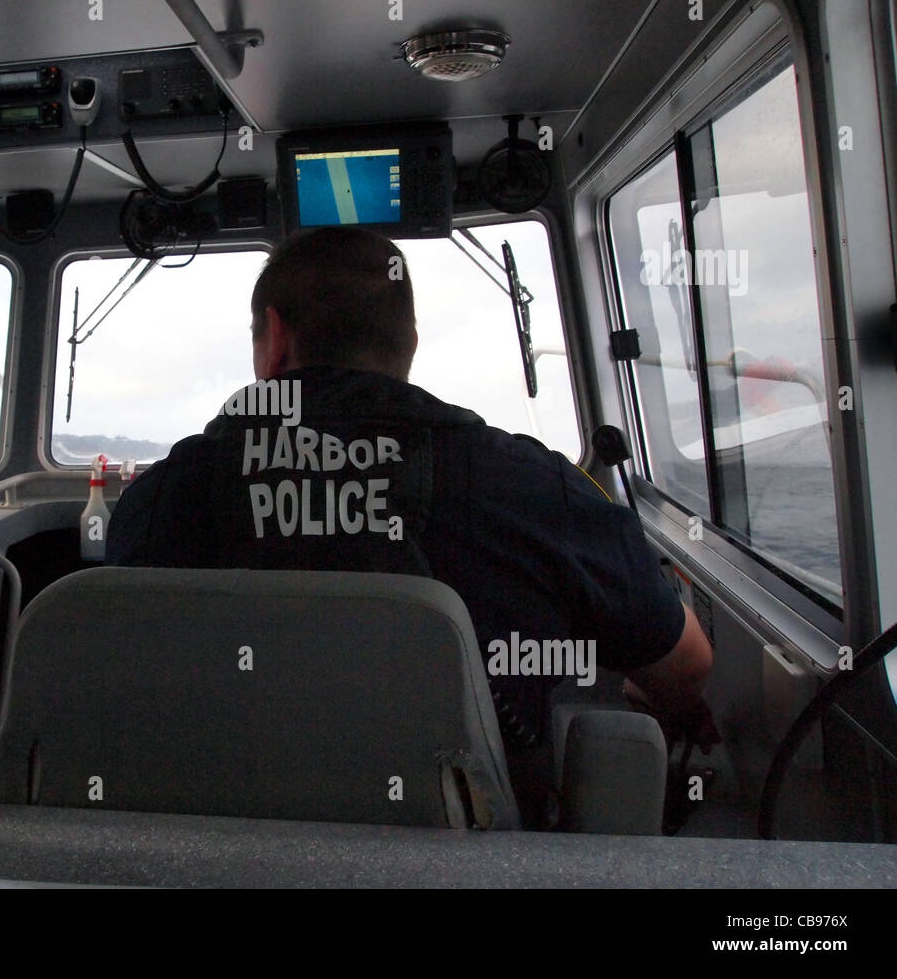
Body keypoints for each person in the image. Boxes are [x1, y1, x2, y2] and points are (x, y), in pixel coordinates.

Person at [105, 226, 717, 822]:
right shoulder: (532, 488)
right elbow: (687, 663)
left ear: (274, 339)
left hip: (208, 854)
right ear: (410, 344)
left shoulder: (163, 498)